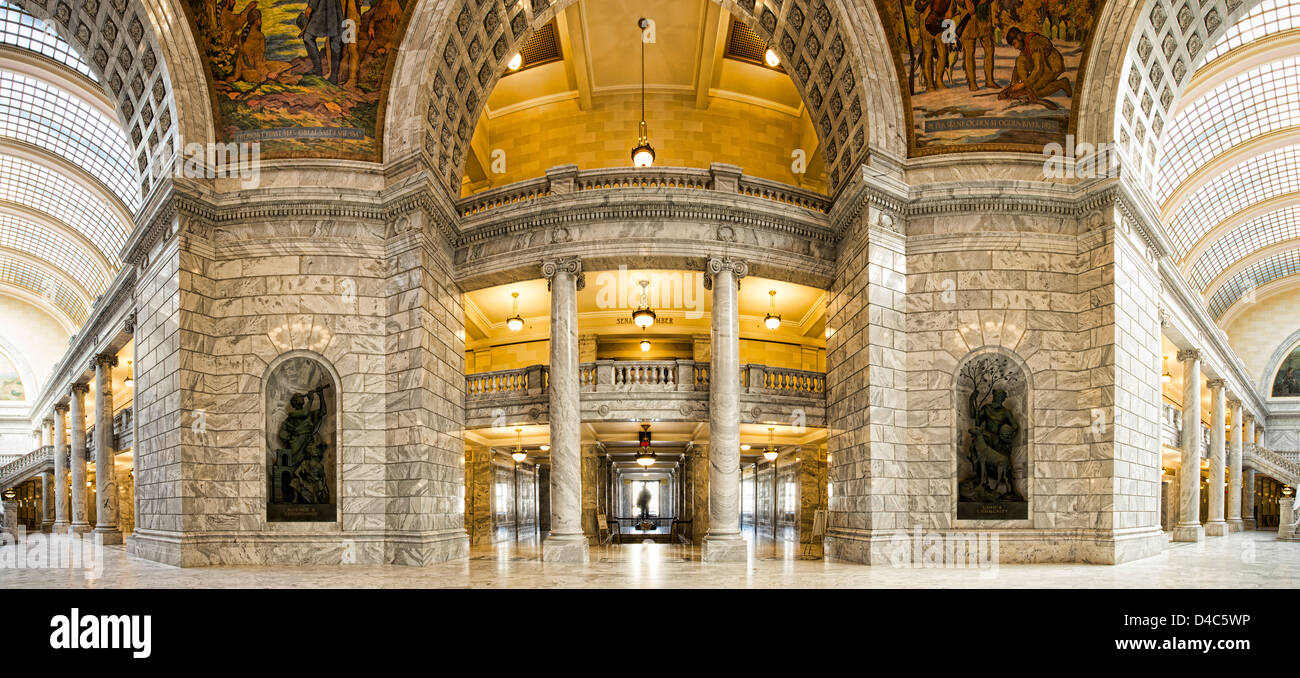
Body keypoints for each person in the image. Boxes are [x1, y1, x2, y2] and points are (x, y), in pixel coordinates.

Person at [999, 27, 1072, 103]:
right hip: (1041, 65)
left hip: (1051, 67)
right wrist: (1013, 85)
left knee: (1035, 92)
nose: (1015, 47)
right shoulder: (1025, 43)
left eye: (1014, 44)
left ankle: (1062, 83)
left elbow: (1039, 68)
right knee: (1020, 60)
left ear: (1019, 37)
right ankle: (1027, 88)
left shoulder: (1035, 43)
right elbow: (1018, 65)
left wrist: (1023, 84)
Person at [301, 0, 344, 84]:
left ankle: (324, 72)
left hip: (323, 9)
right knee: (335, 40)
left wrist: (311, 6)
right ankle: (330, 75)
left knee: (307, 37)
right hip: (332, 9)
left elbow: (309, 10)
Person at [958, 0, 996, 91]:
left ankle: (990, 81)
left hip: (984, 17)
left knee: (990, 48)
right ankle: (972, 83)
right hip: (968, 18)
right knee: (969, 51)